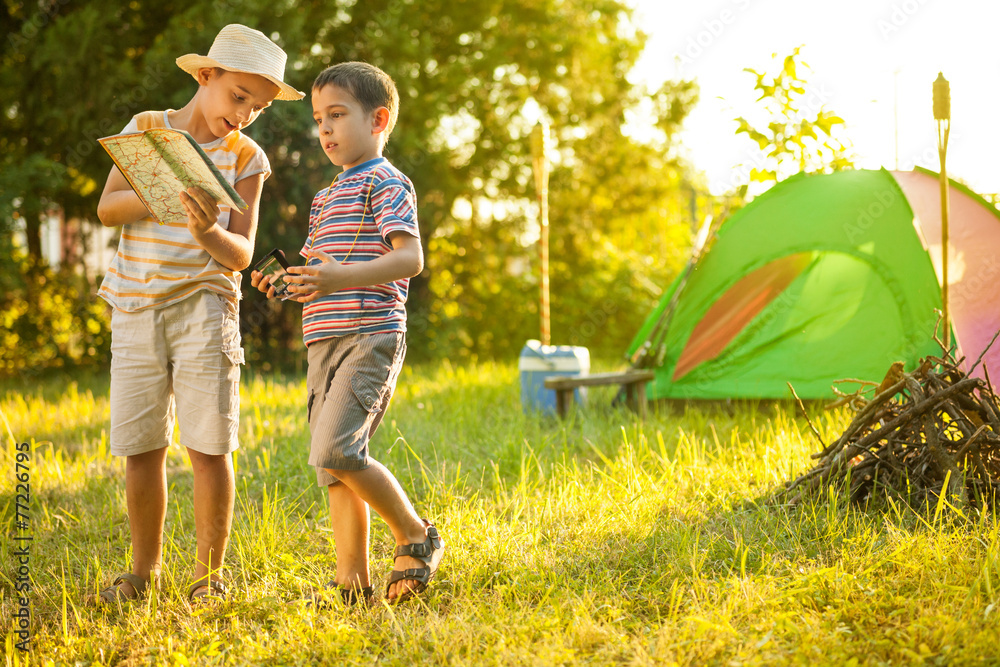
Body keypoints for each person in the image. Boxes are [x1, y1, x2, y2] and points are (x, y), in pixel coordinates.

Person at [92, 24, 304, 605]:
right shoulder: (147, 129)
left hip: (206, 310)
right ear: (206, 76)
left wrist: (207, 227)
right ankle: (142, 571)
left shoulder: (246, 157)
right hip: (134, 304)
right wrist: (165, 194)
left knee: (210, 446)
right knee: (141, 447)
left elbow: (240, 254)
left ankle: (209, 576)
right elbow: (108, 208)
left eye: (258, 107)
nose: (245, 115)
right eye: (239, 97)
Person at [251, 61, 444, 605]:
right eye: (318, 119)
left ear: (378, 119)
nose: (325, 130)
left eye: (337, 115)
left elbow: (409, 258)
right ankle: (351, 585)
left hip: (370, 335)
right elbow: (323, 276)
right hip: (324, 339)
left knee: (338, 449)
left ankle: (415, 533)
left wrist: (339, 276)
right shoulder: (324, 196)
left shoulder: (386, 182)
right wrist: (291, 284)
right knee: (333, 469)